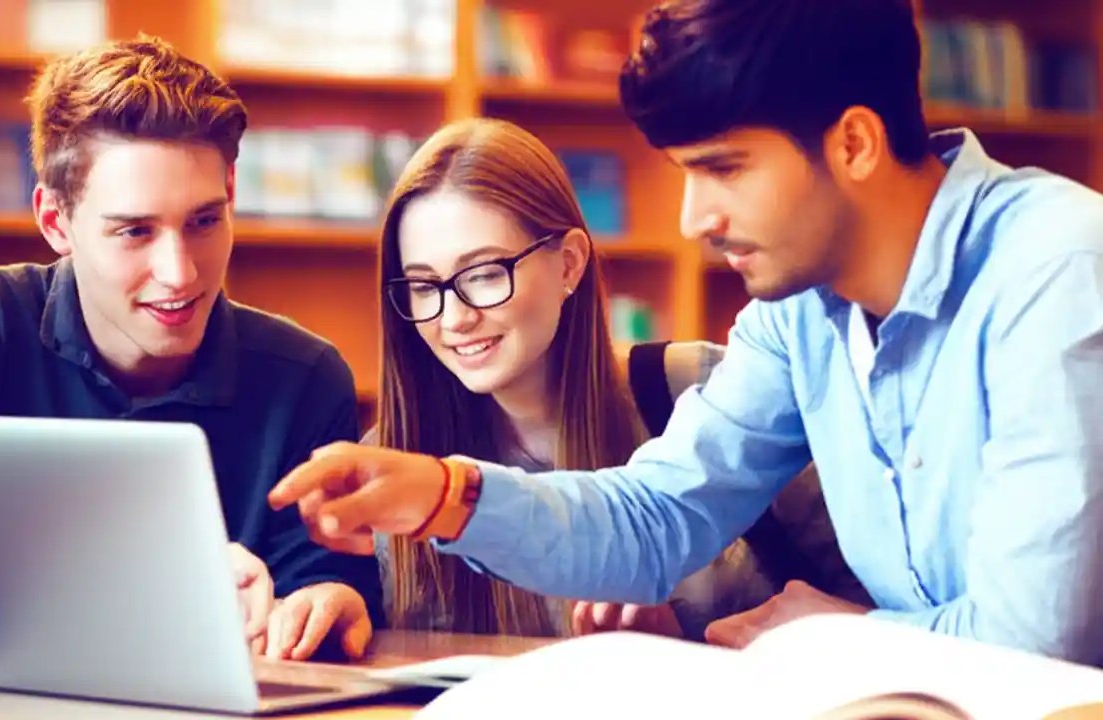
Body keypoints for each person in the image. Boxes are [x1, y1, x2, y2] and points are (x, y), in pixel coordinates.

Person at [269, 0, 1103, 665]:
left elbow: (1029, 642)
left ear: (853, 141)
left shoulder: (1058, 266)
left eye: (723, 168)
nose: (693, 217)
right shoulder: (797, 312)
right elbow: (656, 516)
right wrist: (445, 497)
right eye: (683, 174)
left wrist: (832, 639)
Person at [0, 34, 381, 661]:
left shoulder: (308, 377)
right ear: (55, 221)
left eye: (204, 221)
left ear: (231, 191)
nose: (180, 273)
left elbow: (323, 584)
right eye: (134, 231)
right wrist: (83, 596)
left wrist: (327, 601)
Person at [343, 116, 828, 645]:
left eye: (483, 274)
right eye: (422, 285)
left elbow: (866, 600)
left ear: (569, 264)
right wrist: (331, 597)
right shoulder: (397, 459)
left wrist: (684, 637)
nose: (454, 318)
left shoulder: (705, 390)